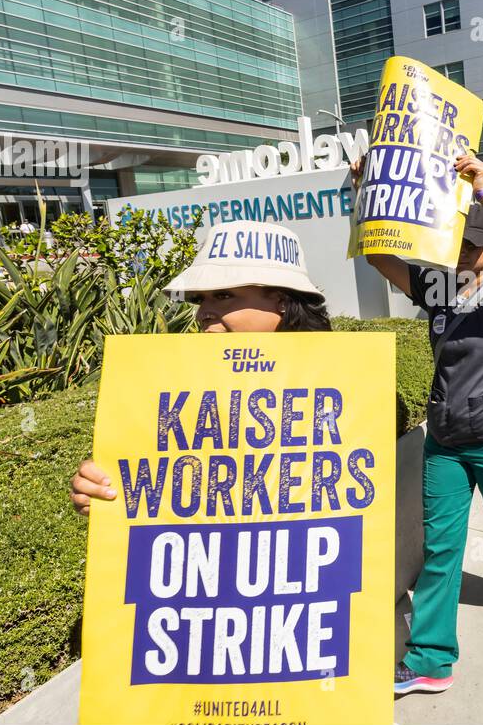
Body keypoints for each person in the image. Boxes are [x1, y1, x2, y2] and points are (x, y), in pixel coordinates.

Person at [355, 154, 483, 697]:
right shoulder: (434, 287)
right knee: (441, 547)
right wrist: (367, 190)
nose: (461, 251)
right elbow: (375, 255)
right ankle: (432, 658)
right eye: (457, 241)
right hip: (445, 443)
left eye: (473, 243)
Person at [67, 220, 333, 514]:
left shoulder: (343, 384)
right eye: (199, 300)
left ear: (282, 300)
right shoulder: (174, 387)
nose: (204, 313)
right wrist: (101, 485)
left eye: (223, 295)